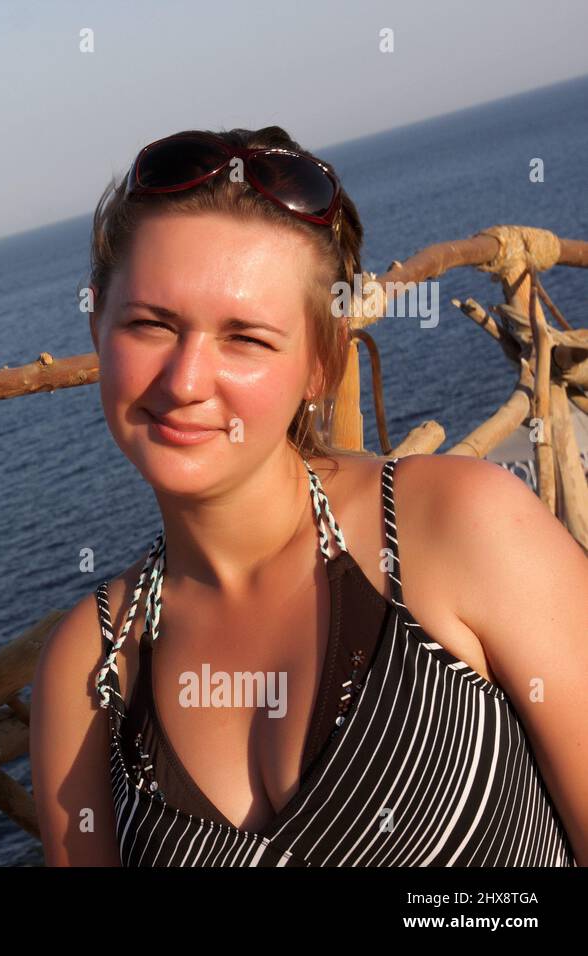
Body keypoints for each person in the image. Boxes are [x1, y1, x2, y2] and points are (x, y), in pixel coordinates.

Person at [30, 126, 588, 866]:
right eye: (151, 325)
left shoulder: (460, 528)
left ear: (321, 363)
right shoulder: (91, 665)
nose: (186, 381)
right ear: (98, 323)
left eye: (246, 339)